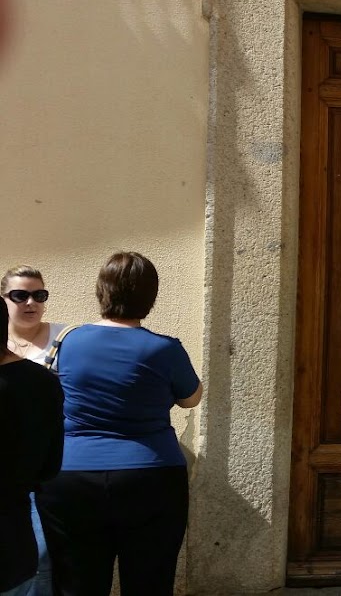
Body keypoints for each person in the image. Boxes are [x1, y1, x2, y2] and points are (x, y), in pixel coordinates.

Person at [35, 252, 202, 595]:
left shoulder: (67, 341)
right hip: (151, 475)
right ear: (151, 297)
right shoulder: (164, 349)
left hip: (71, 476)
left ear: (102, 292)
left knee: (77, 584)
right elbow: (191, 398)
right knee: (150, 582)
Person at [2, 266, 65, 596]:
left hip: (45, 467)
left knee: (40, 558)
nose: (31, 302)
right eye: (20, 295)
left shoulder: (66, 338)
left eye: (39, 295)